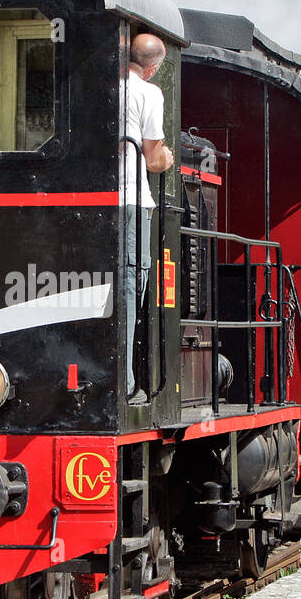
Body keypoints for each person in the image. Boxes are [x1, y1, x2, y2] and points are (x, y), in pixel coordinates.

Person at [122, 33, 174, 403]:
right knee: (130, 282)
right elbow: (154, 160)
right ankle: (124, 382)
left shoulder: (100, 86)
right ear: (153, 67)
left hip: (92, 201)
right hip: (130, 202)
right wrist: (168, 158)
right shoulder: (147, 93)